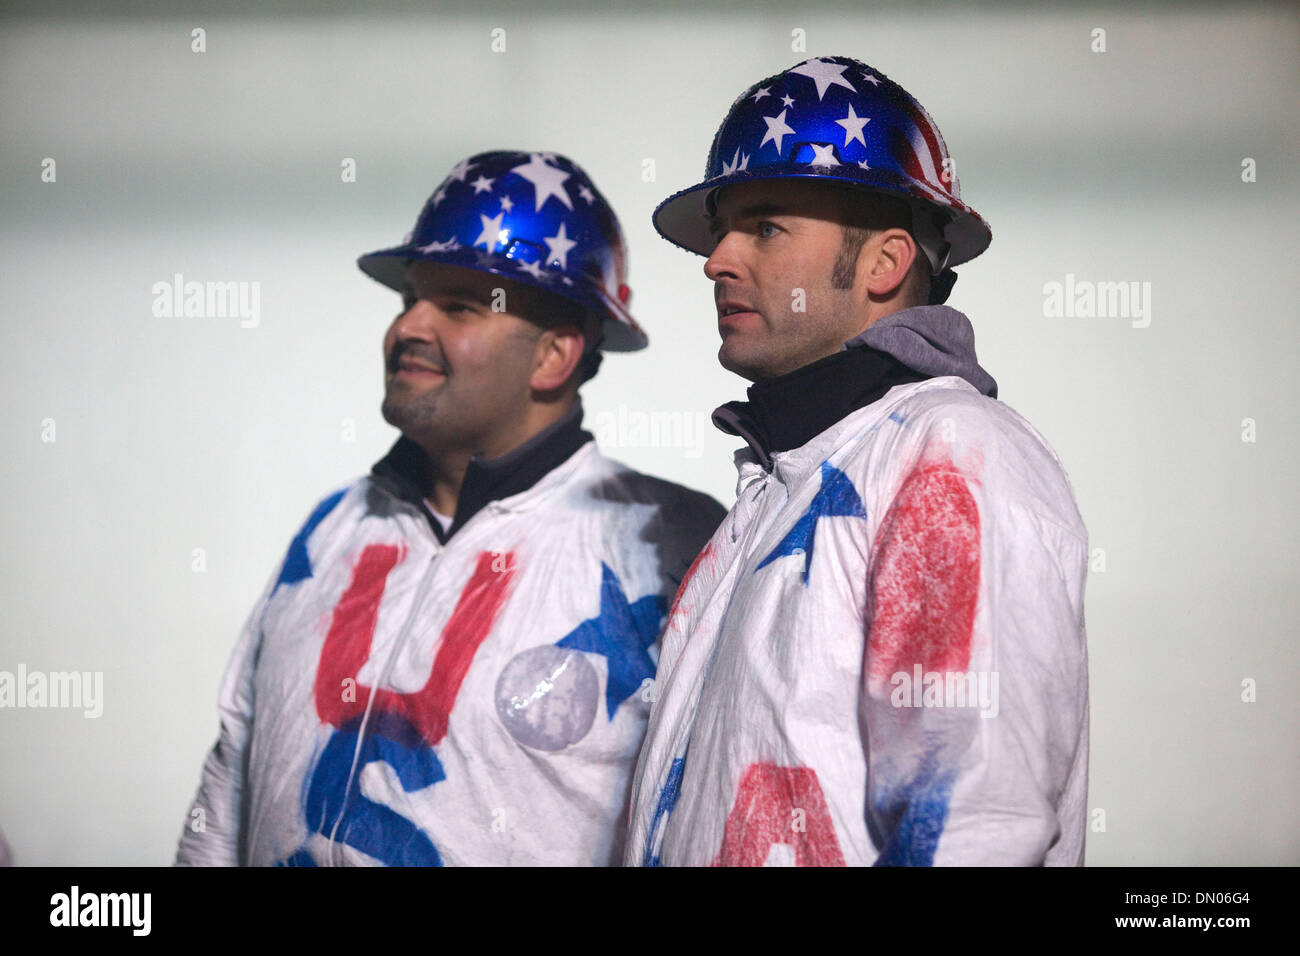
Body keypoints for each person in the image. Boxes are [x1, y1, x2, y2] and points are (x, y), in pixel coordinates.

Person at [175, 150, 725, 867]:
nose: (408, 327)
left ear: (555, 355)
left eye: (459, 305)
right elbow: (230, 778)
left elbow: (707, 819)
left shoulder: (667, 545)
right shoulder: (331, 527)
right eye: (410, 299)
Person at [625, 56, 1090, 866]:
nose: (716, 261)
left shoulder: (953, 457)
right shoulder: (779, 485)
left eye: (764, 226)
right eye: (723, 229)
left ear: (885, 263)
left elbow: (977, 828)